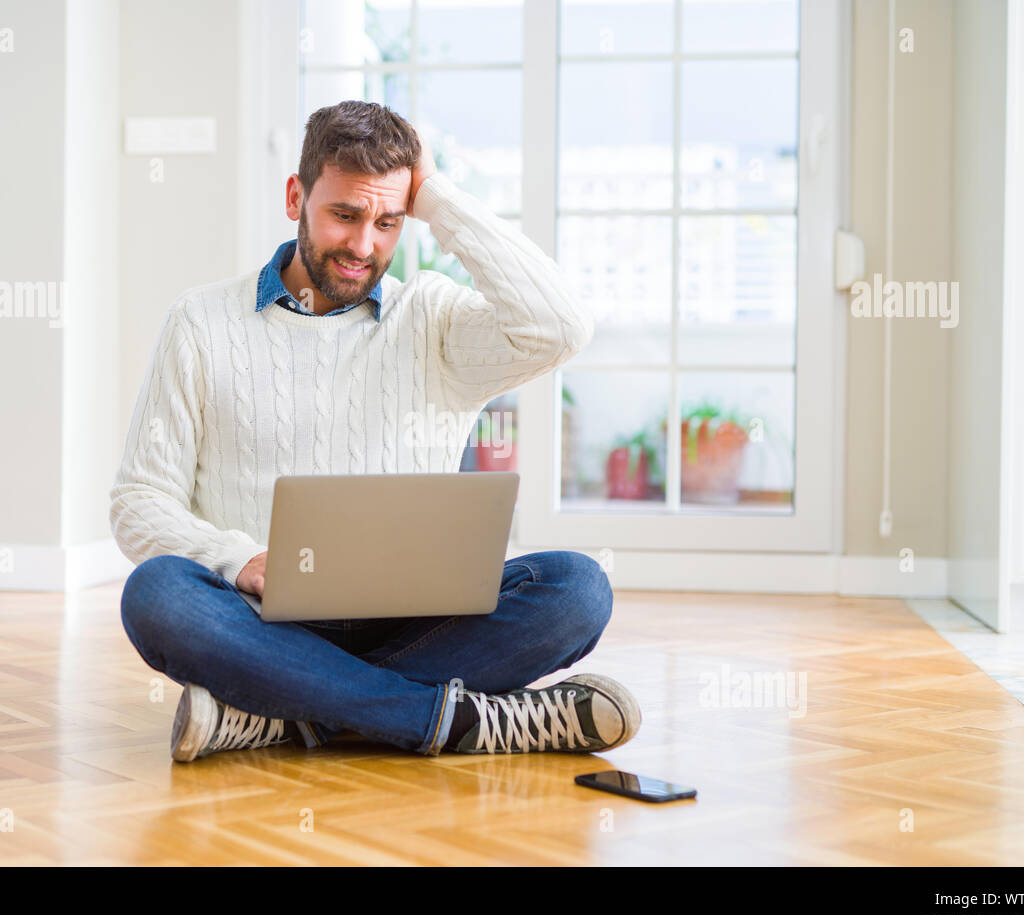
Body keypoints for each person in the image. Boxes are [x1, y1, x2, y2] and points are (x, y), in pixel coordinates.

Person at [112, 100, 641, 761]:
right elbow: (138, 501)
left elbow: (561, 327)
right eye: (344, 214)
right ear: (295, 197)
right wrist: (241, 561)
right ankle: (456, 719)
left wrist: (439, 198)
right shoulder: (200, 322)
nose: (364, 246)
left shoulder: (435, 319)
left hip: (419, 625)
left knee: (577, 588)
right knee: (158, 595)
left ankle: (282, 715)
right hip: (262, 624)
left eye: (387, 221)